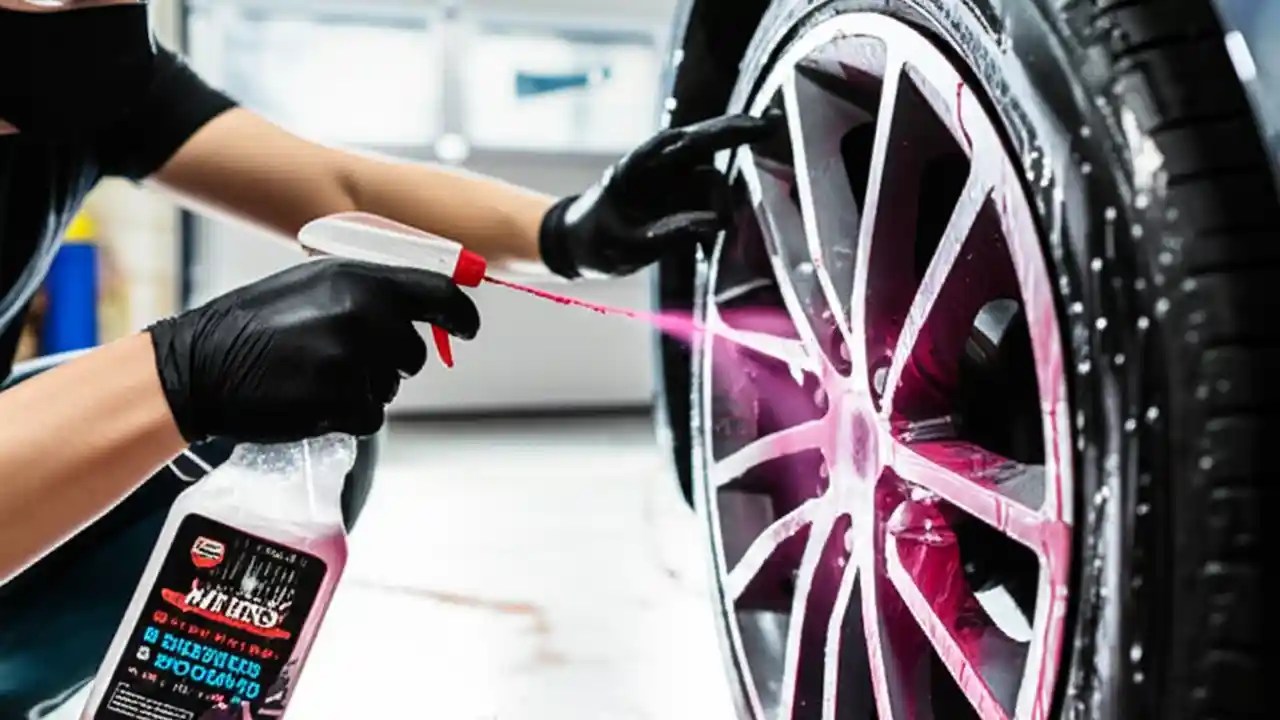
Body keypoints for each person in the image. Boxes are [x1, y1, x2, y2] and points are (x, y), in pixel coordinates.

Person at [0, 0, 771, 713]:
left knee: (290, 427)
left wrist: (570, 230)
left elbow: (340, 185)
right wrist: (182, 372)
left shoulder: (78, 80)